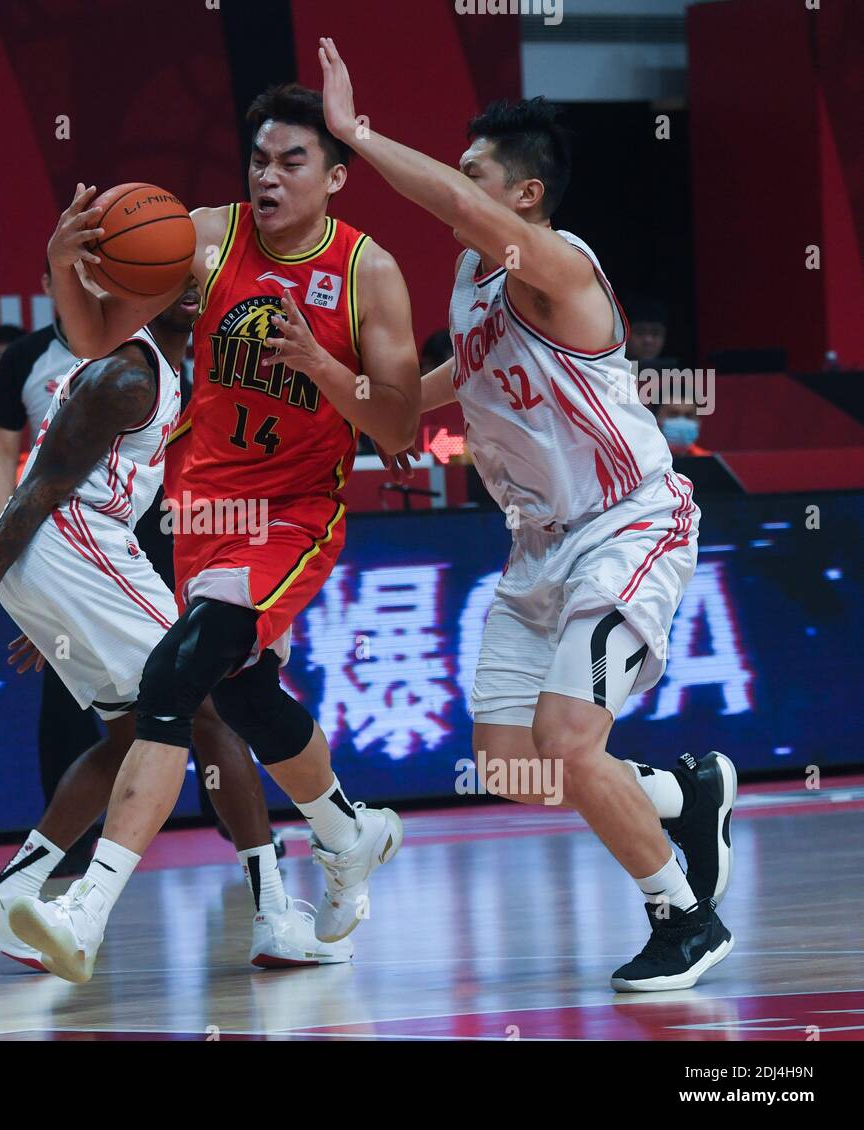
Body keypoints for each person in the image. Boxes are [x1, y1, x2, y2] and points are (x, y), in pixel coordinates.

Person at [316, 38, 735, 991]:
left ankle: (685, 918)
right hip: (536, 550)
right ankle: (682, 793)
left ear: (525, 197)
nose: (459, 185)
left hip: (628, 524)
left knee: (567, 741)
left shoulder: (562, 272)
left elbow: (457, 206)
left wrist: (355, 134)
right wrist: (314, 366)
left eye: (475, 172)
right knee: (514, 767)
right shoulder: (474, 291)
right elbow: (401, 407)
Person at [0, 82, 420, 984]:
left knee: (174, 676)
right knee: (248, 692)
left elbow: (400, 429)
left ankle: (87, 906)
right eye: (258, 160)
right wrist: (65, 261)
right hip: (201, 510)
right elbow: (95, 330)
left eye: (291, 162)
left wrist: (319, 367)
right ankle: (348, 830)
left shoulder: (369, 273)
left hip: (295, 511)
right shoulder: (205, 236)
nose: (268, 176)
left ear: (335, 177)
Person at [0, 284, 348, 970]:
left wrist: (56, 604)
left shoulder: (164, 372)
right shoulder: (129, 372)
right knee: (211, 711)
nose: (197, 290)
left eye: (204, 276)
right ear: (140, 281)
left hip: (69, 558)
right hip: (71, 543)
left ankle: (7, 893)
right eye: (175, 278)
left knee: (128, 736)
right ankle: (273, 913)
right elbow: (39, 488)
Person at [0, 263, 100, 875]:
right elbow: (2, 450)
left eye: (92, 276)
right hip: (60, 544)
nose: (80, 287)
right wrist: (6, 541)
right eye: (66, 276)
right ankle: (67, 846)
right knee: (68, 693)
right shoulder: (25, 358)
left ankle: (242, 825)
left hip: (144, 536)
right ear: (47, 285)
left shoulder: (145, 348)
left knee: (189, 686)